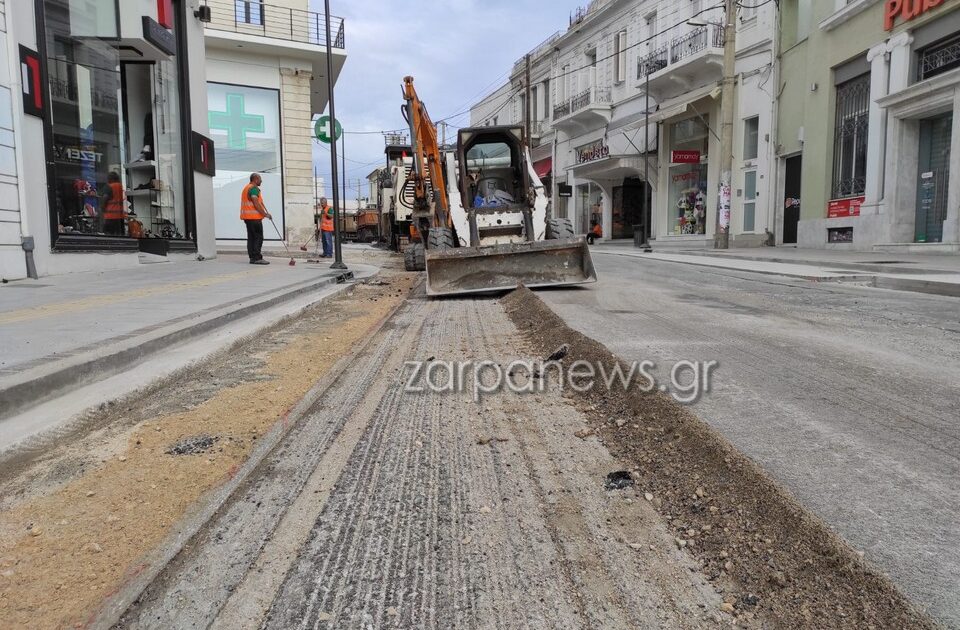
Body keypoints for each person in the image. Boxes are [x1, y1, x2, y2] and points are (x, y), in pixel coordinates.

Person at [240, 172, 272, 264]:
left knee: (251, 238)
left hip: (248, 218)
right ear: (255, 179)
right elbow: (255, 202)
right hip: (254, 218)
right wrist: (265, 214)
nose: (261, 181)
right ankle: (257, 258)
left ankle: (252, 258)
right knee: (258, 237)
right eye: (260, 179)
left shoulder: (246, 188)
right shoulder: (253, 189)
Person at [101, 171, 126, 236]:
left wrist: (102, 209)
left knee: (108, 236)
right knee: (120, 236)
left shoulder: (109, 187)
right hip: (120, 217)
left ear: (111, 179)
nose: (107, 180)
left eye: (108, 178)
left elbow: (105, 198)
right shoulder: (120, 186)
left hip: (110, 217)